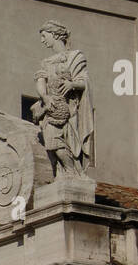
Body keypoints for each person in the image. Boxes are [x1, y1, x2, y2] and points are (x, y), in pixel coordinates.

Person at [31, 21, 94, 176]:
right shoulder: (45, 62)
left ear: (55, 35)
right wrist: (45, 97)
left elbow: (85, 81)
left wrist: (72, 84)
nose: (42, 40)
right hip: (50, 108)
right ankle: (64, 173)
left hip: (69, 110)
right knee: (51, 143)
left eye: (44, 36)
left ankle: (72, 172)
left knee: (55, 142)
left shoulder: (75, 56)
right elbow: (40, 82)